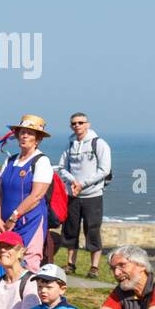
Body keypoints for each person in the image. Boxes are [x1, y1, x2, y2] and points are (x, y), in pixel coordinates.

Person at [0, 114, 53, 272]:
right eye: (22, 132)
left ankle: (28, 296)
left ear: (38, 138)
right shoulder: (10, 160)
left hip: (30, 222)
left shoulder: (41, 162)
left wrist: (15, 216)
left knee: (28, 262)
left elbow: (36, 196)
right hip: (6, 224)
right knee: (5, 263)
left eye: (30, 133)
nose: (24, 135)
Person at [57, 112, 111, 279]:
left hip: (93, 195)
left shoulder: (99, 143)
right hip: (73, 195)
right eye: (74, 123)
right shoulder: (70, 144)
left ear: (88, 124)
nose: (77, 126)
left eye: (80, 122)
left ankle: (94, 267)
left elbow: (105, 169)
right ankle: (70, 264)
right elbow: (61, 167)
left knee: (92, 230)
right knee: (70, 229)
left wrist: (83, 184)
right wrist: (73, 181)